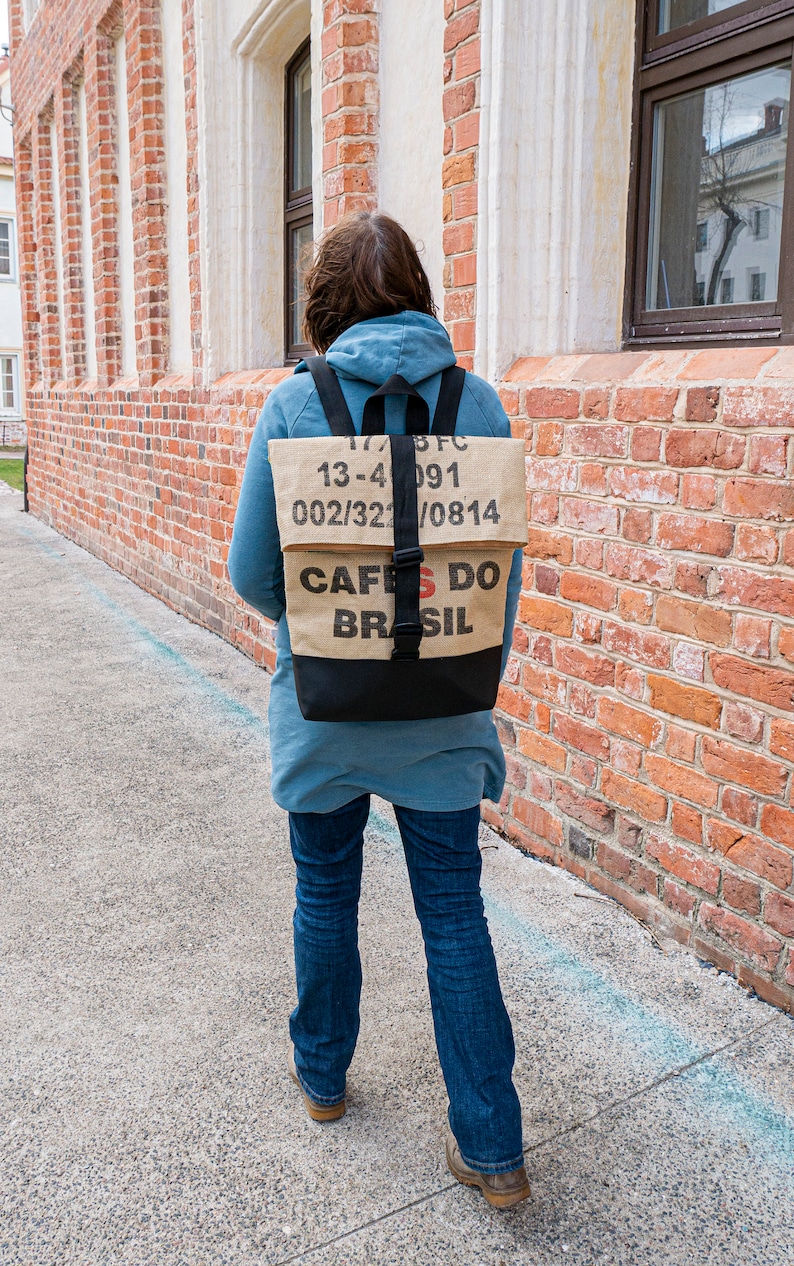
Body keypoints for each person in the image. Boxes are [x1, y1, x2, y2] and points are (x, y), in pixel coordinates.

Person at [228, 211, 530, 1209]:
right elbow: (494, 580)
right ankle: (491, 1151)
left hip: (324, 709)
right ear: (418, 296)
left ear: (324, 305)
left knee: (324, 894)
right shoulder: (478, 404)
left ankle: (322, 1078)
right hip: (444, 711)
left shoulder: (291, 406)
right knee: (453, 914)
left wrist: (328, 622)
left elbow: (253, 575)